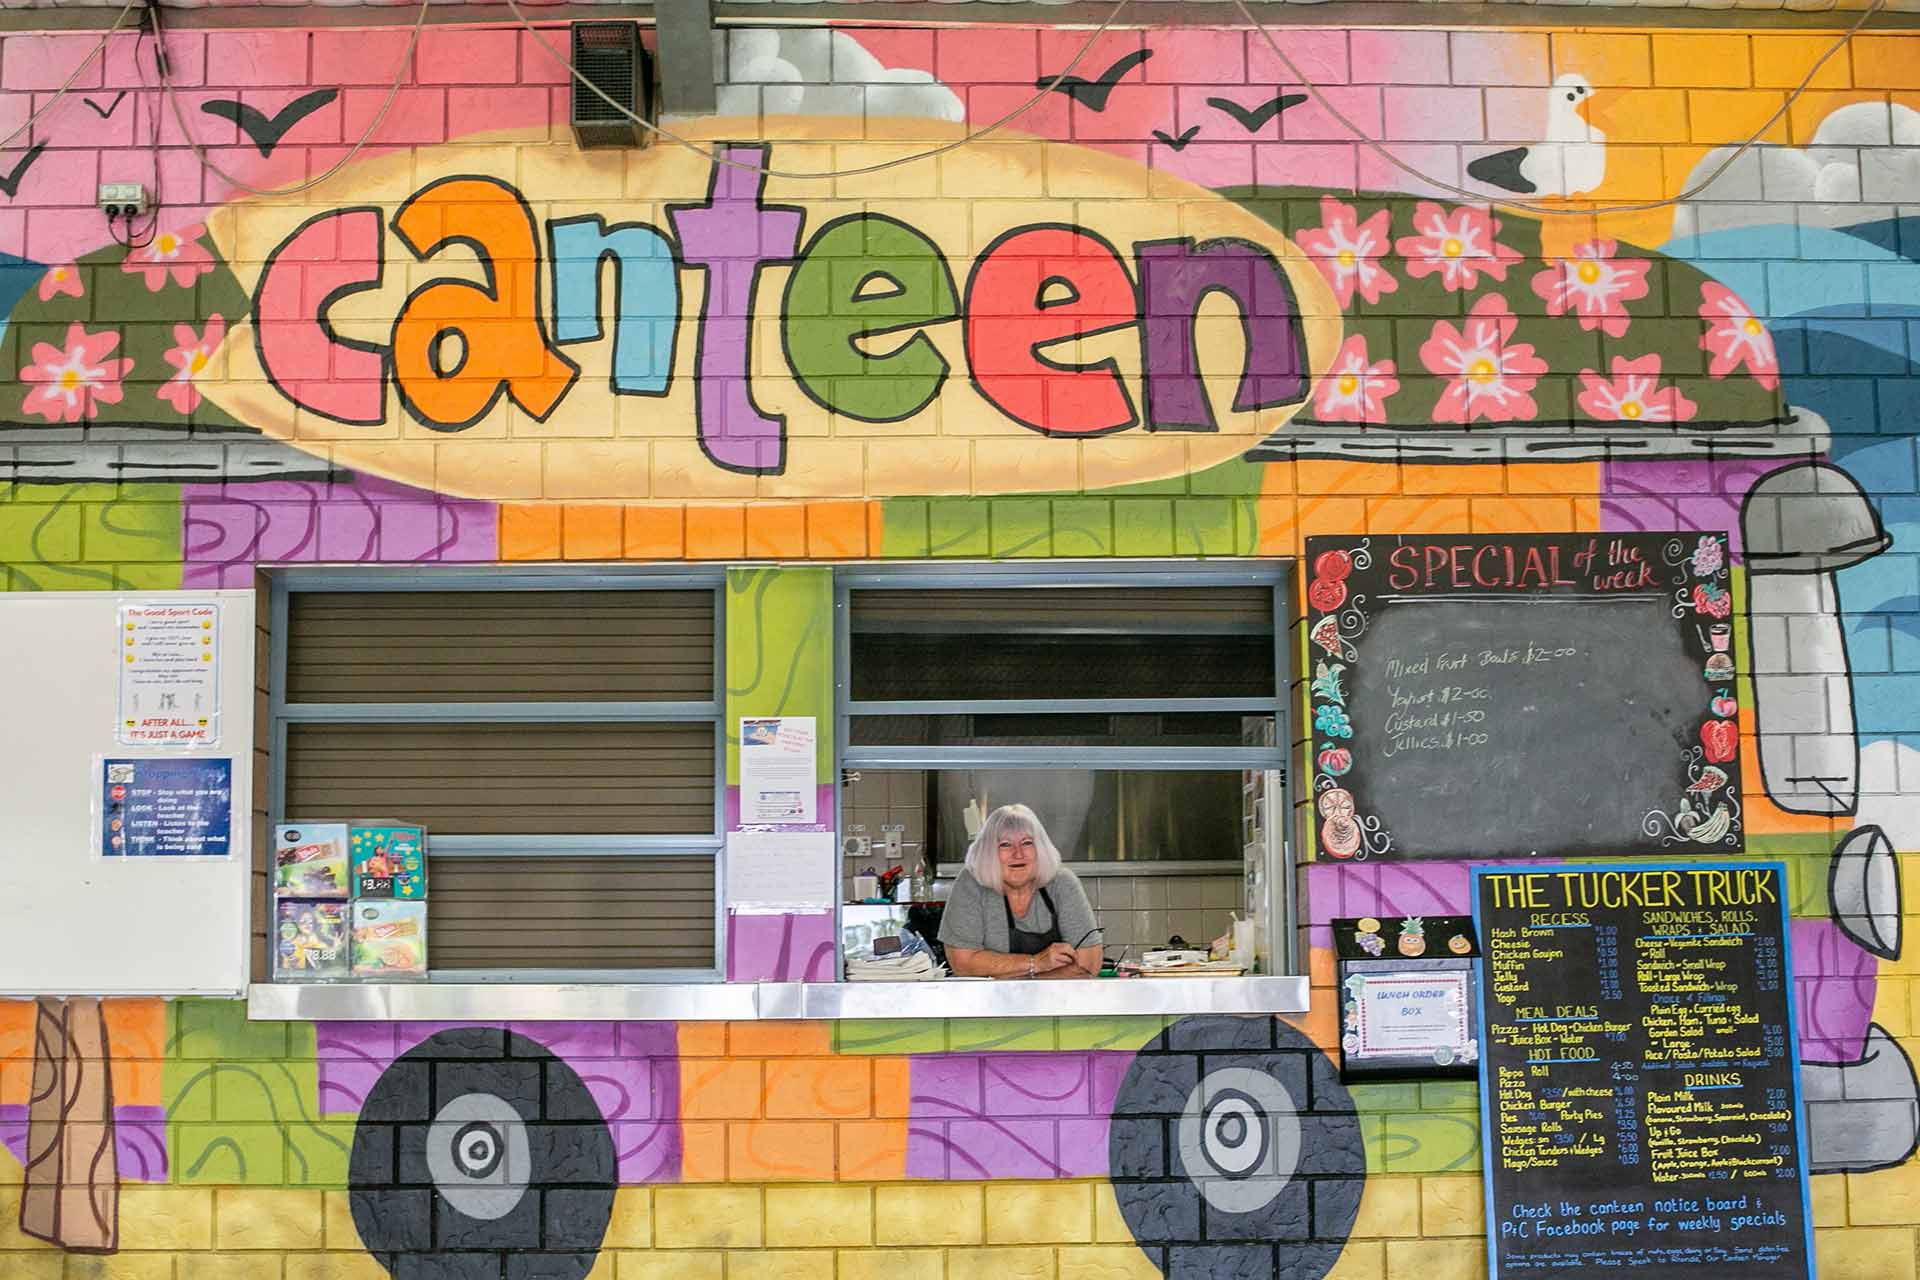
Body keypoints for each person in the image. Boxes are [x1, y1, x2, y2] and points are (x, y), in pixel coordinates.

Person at [939, 804, 1102, 979]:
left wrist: (1019, 982)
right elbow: (963, 963)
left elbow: (1088, 963)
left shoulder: (1062, 883)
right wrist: (1036, 963)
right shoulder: (971, 884)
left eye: (1027, 843)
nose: (1018, 854)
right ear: (988, 853)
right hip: (988, 1003)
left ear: (1040, 849)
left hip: (1058, 1002)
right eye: (1005, 845)